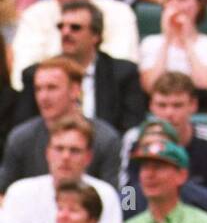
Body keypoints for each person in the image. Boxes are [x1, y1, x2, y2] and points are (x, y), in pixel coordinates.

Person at [1, 114, 122, 223]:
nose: (65, 157)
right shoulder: (19, 193)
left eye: (74, 151)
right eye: (59, 149)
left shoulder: (106, 195)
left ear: (88, 157)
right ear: (47, 153)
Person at [11, 0, 139, 87]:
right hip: (46, 95)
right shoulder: (34, 15)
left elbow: (123, 63)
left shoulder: (118, 12)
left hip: (106, 93)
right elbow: (22, 69)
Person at [17, 0, 146, 132]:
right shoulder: (36, 75)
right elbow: (24, 129)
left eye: (75, 27)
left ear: (95, 35)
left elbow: (132, 128)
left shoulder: (123, 74)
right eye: (61, 27)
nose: (66, 33)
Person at [119, 70, 207, 215]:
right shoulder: (135, 139)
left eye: (177, 105)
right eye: (162, 105)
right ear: (151, 106)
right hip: (144, 217)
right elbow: (128, 197)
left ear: (193, 105)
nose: (169, 113)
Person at [0, 57, 120, 192]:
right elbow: (2, 190)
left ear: (75, 90)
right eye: (38, 89)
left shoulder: (106, 138)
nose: (43, 97)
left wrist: (129, 210)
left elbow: (126, 192)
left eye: (52, 88)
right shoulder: (20, 137)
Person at [138, 0, 207, 96]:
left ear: (199, 4)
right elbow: (150, 86)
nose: (174, 5)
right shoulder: (150, 43)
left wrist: (187, 41)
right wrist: (167, 40)